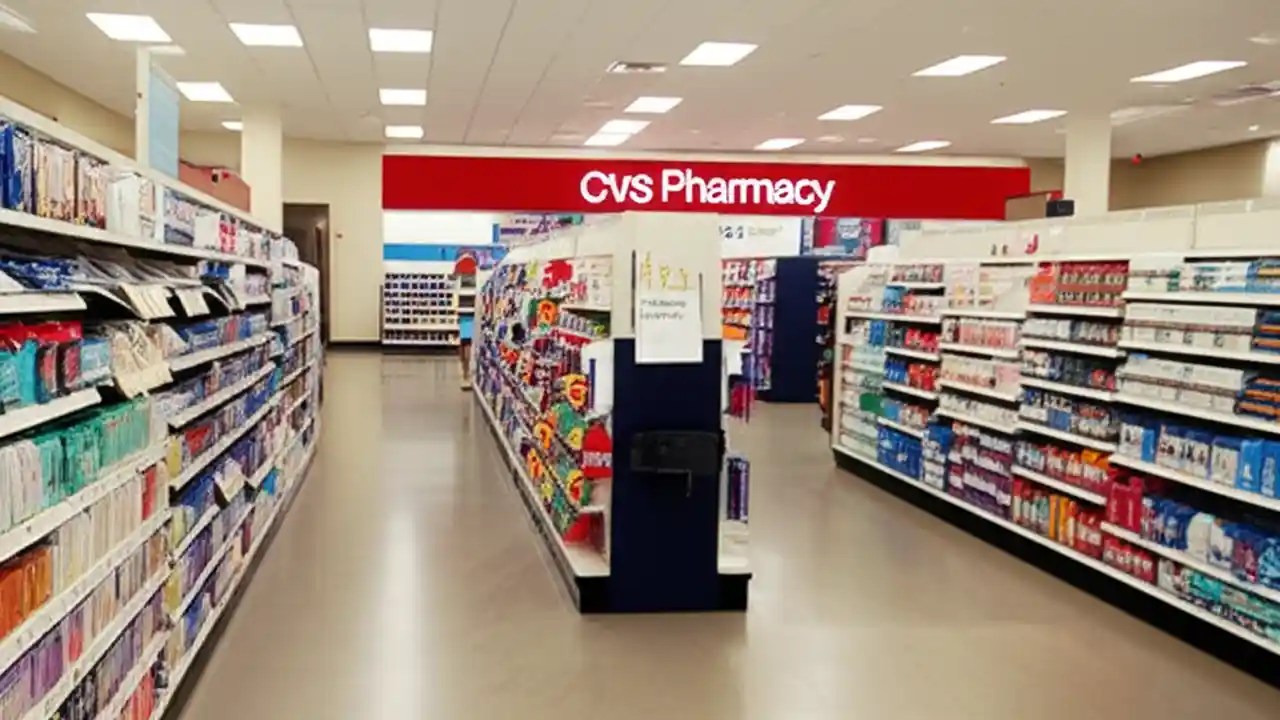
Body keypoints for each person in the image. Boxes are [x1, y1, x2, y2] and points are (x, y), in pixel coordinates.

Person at [454, 252, 479, 390]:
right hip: (471, 315)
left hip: (462, 315)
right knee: (468, 344)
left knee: (463, 343)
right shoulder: (476, 281)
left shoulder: (458, 280)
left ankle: (464, 371)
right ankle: (466, 373)